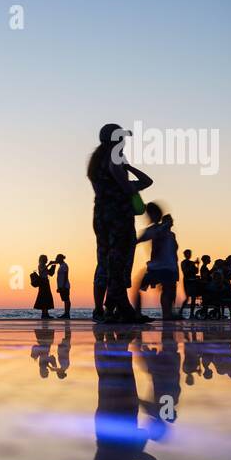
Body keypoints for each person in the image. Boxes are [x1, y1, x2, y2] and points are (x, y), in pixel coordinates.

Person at [88, 124, 154, 323]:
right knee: (119, 261)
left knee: (108, 260)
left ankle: (116, 308)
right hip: (118, 216)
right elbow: (116, 171)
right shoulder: (113, 156)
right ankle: (121, 309)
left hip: (102, 215)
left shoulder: (95, 160)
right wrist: (129, 189)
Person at [134, 203, 179, 320]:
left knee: (166, 291)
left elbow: (139, 239)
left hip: (163, 268)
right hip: (164, 268)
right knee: (166, 291)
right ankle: (166, 314)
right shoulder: (159, 230)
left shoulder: (162, 231)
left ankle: (165, 314)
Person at [32, 255, 55, 319]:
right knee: (44, 297)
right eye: (46, 259)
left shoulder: (44, 265)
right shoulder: (40, 265)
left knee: (46, 297)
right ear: (43, 259)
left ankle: (46, 314)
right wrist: (49, 265)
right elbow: (41, 272)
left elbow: (49, 273)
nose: (47, 260)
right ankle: (44, 314)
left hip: (45, 282)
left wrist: (52, 266)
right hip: (43, 282)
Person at [178, 249, 199, 318]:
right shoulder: (183, 262)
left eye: (190, 254)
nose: (189, 255)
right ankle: (180, 311)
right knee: (187, 297)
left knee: (193, 298)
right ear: (185, 255)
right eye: (187, 254)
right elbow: (185, 271)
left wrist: (197, 265)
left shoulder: (191, 262)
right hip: (187, 281)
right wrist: (193, 263)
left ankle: (191, 314)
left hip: (193, 281)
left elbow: (196, 272)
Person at [54, 254, 71, 319]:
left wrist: (63, 286)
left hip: (65, 286)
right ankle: (66, 313)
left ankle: (67, 314)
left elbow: (66, 276)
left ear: (60, 259)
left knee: (66, 299)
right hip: (61, 286)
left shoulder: (64, 266)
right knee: (65, 299)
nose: (56, 259)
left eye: (57, 258)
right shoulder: (61, 266)